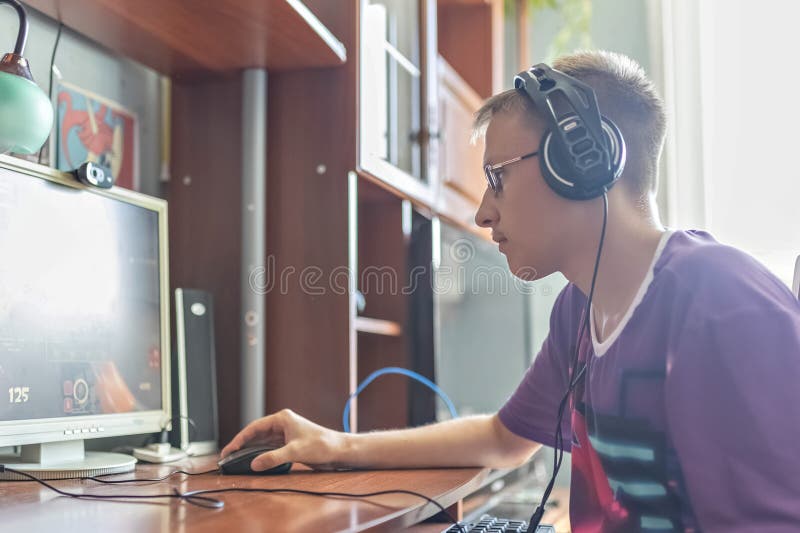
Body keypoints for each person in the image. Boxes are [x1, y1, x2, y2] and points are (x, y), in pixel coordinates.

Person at [221, 50, 800, 532]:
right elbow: (504, 438)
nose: (480, 211)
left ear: (580, 160)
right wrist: (333, 445)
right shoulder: (579, 308)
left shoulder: (721, 303)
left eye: (497, 176)